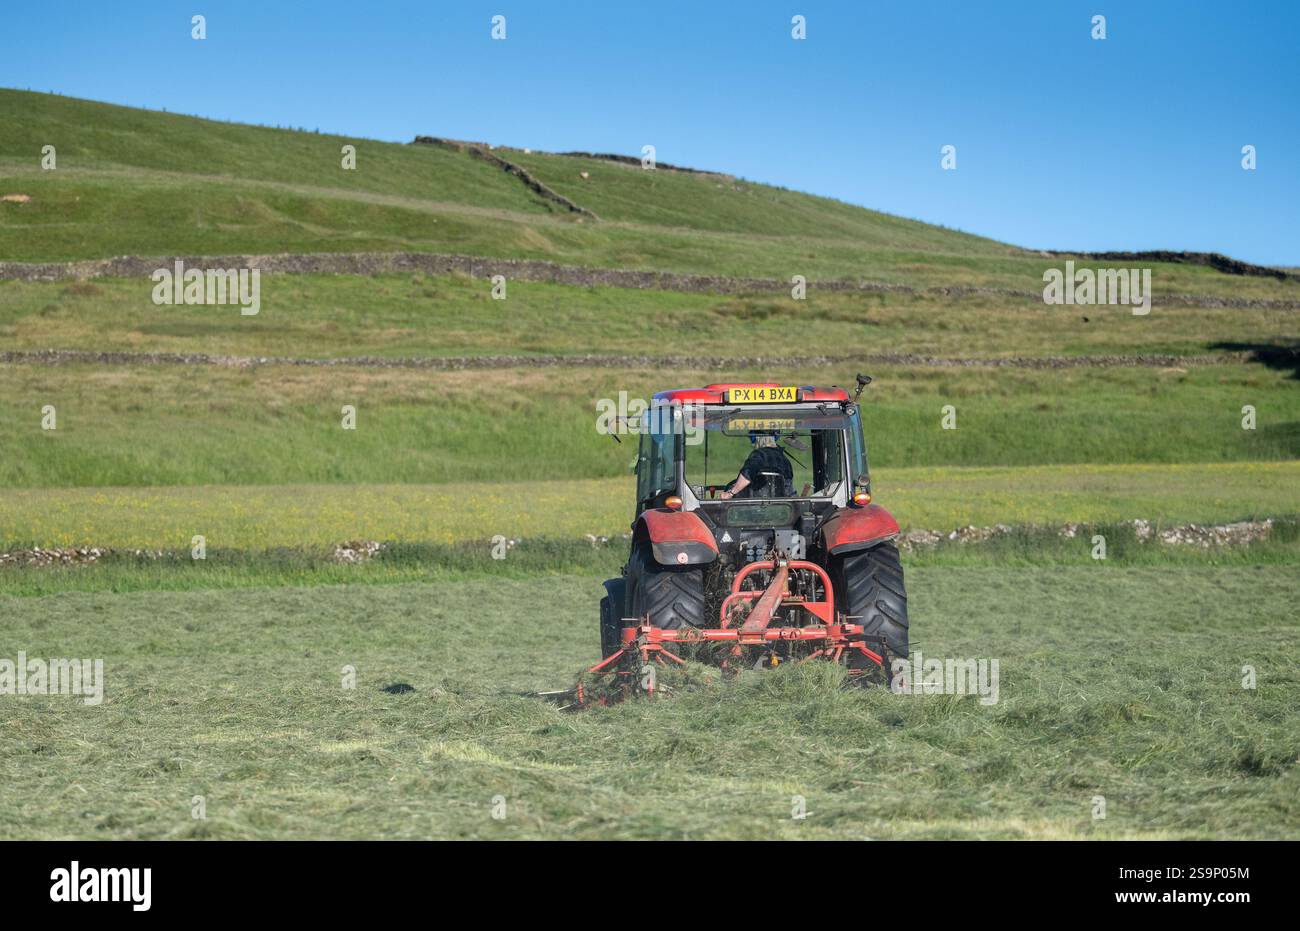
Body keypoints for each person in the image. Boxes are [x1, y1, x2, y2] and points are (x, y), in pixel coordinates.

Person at [719, 433, 793, 499]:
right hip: (780, 508)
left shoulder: (759, 455)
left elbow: (747, 474)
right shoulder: (785, 460)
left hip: (755, 508)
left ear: (758, 437)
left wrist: (730, 493)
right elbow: (788, 489)